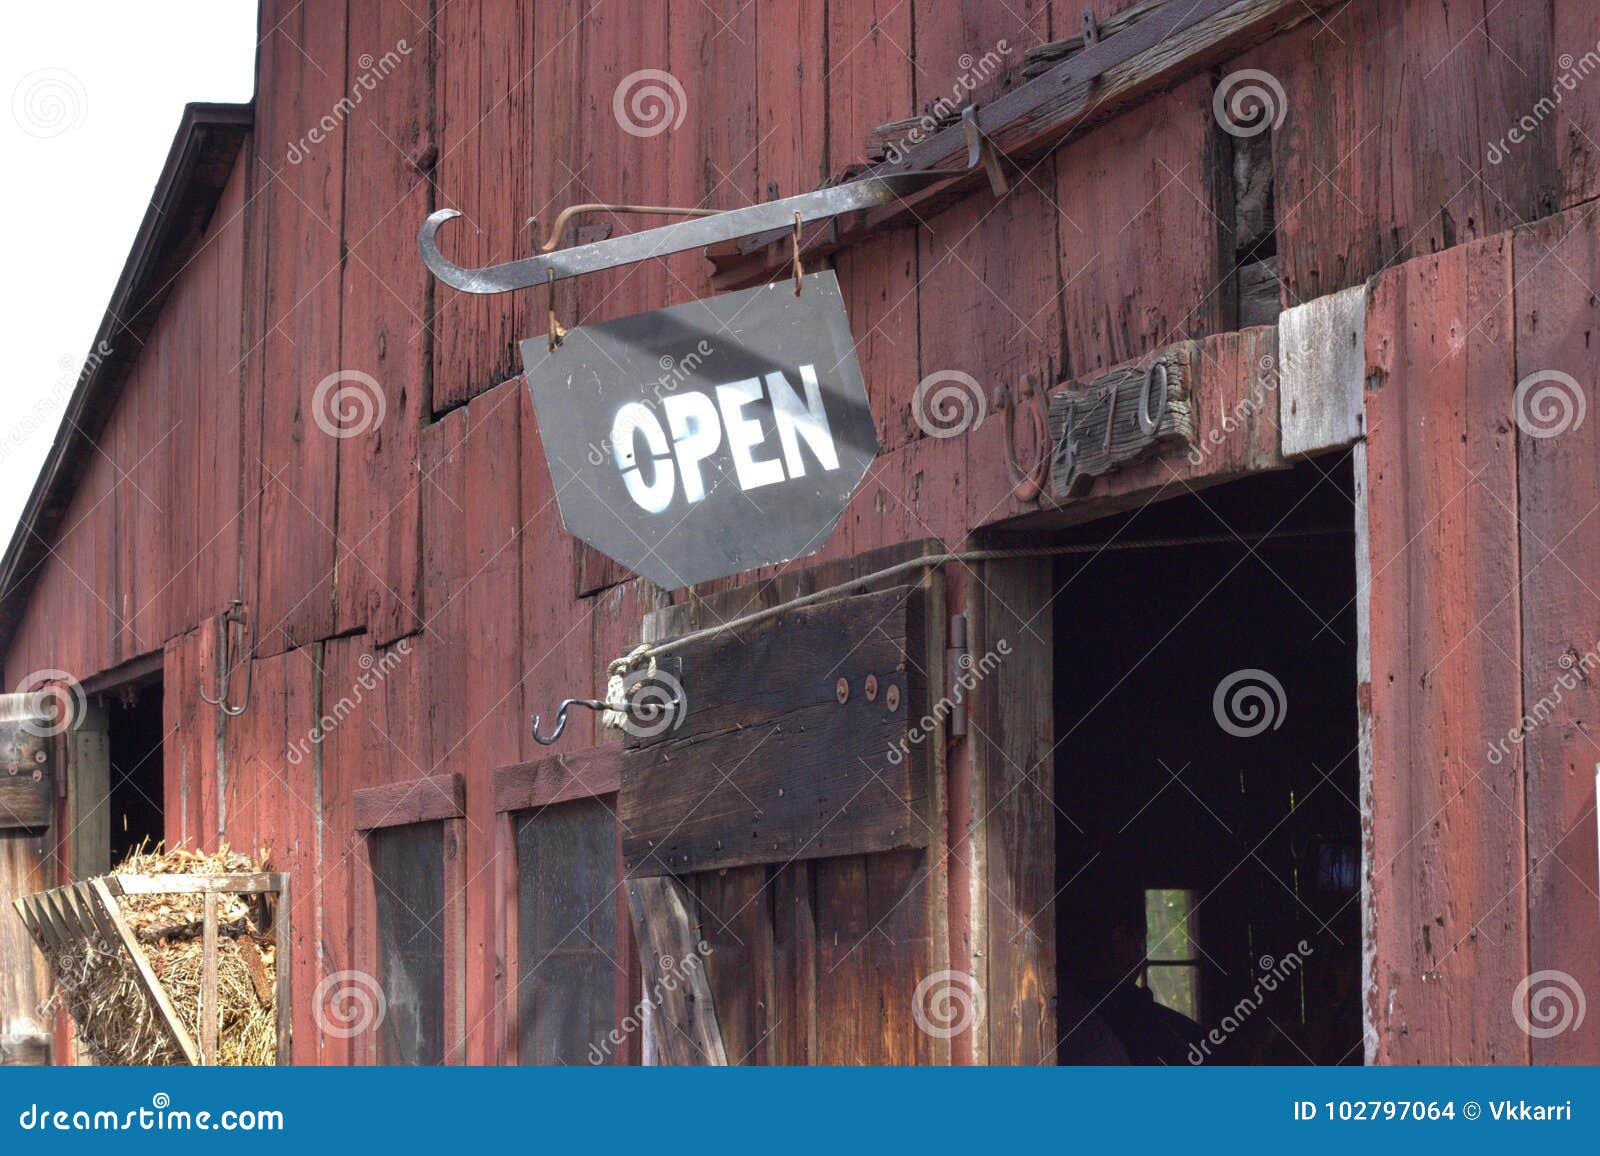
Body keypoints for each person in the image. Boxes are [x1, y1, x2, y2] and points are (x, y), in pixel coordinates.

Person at [1058, 888, 1203, 1065]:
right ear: (1119, 940)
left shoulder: (1044, 1017)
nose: (1141, 953)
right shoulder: (1173, 1034)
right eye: (1140, 940)